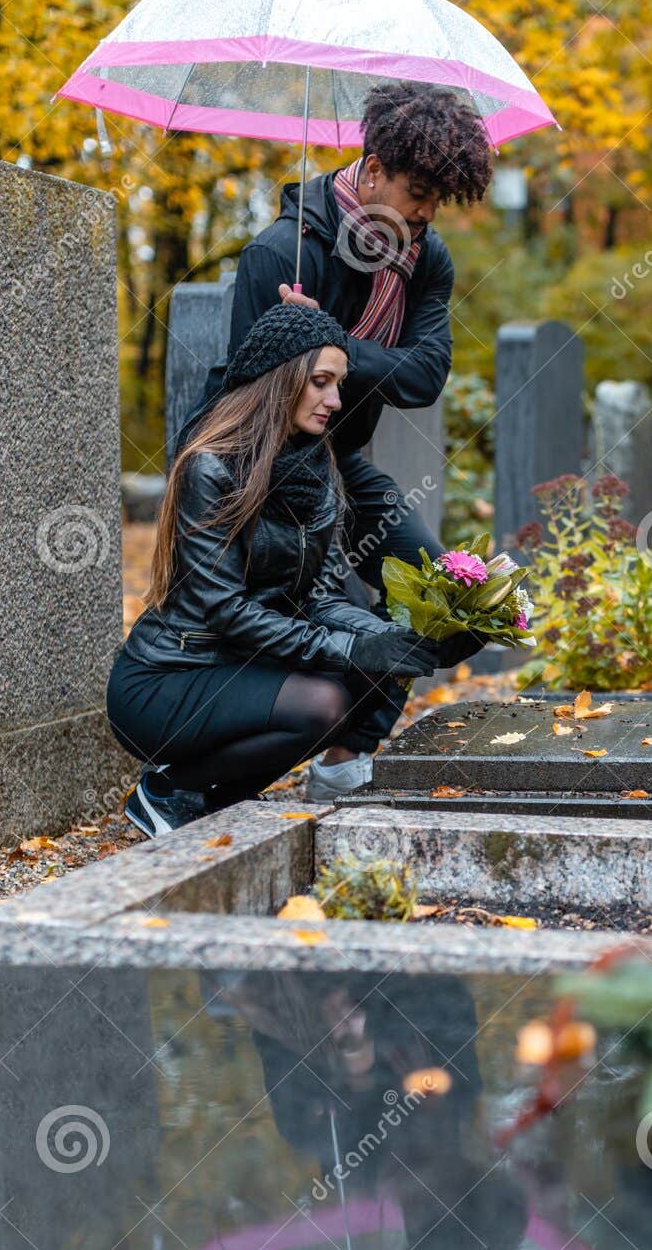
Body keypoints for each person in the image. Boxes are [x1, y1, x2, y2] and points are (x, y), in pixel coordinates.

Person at [184, 79, 494, 801]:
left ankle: (343, 755)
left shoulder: (426, 258)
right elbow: (252, 405)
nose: (424, 214)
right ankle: (203, 778)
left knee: (456, 605)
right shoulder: (279, 254)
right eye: (417, 192)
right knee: (339, 622)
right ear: (374, 166)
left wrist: (328, 339)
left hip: (341, 464)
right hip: (258, 475)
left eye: (438, 200)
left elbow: (423, 376)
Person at [108, 304, 438, 837]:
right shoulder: (210, 465)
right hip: (170, 676)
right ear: (281, 379)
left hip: (243, 667)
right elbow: (224, 608)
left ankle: (224, 800)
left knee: (373, 674)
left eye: (339, 384)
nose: (335, 401)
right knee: (323, 703)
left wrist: (386, 638)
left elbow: (323, 595)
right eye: (321, 383)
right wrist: (351, 649)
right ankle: (168, 790)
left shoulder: (317, 465)